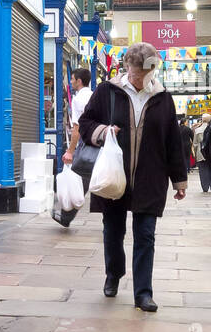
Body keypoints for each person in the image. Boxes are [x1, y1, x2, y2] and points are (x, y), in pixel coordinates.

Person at [76, 42, 187, 312]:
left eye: (148, 74)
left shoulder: (162, 97)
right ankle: (114, 274)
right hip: (114, 175)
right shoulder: (108, 91)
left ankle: (143, 293)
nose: (142, 80)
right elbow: (85, 124)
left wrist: (179, 180)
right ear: (128, 67)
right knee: (113, 231)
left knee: (145, 234)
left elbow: (173, 140)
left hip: (151, 177)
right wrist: (103, 132)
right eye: (138, 74)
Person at [61, 67, 94, 165]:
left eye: (72, 79)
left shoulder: (78, 99)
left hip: (85, 143)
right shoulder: (93, 95)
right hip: (97, 142)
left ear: (79, 81)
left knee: (83, 175)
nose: (70, 82)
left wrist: (70, 151)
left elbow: (77, 128)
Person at [193, 112, 211, 192]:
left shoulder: (197, 130)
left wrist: (195, 153)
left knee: (203, 170)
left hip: (200, 152)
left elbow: (195, 144)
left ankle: (205, 187)